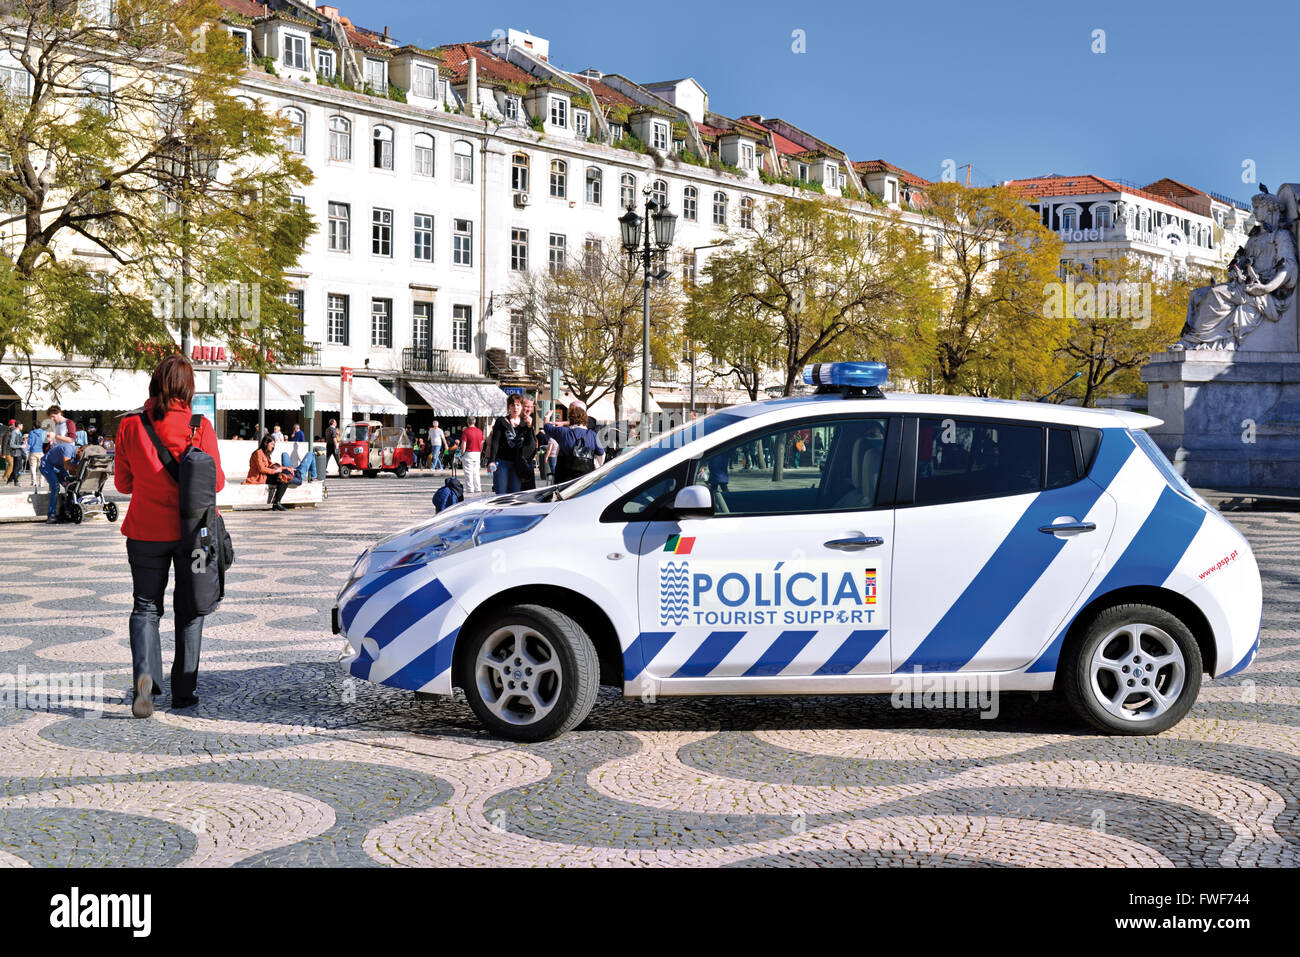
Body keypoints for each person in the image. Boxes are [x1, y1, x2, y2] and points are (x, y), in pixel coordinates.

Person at [113, 355, 224, 717]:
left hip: (145, 532)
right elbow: (217, 483)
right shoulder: (200, 426)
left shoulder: (131, 426)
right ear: (188, 388)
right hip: (194, 535)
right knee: (191, 610)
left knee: (145, 607)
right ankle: (183, 693)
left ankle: (144, 687)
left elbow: (123, 483)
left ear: (155, 384)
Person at [543, 400, 606, 484]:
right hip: (585, 479)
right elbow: (601, 453)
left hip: (564, 478)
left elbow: (547, 427)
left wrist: (547, 417)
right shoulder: (592, 435)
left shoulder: (562, 432)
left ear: (569, 417)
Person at [488, 395, 536, 495]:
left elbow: (530, 444)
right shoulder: (501, 421)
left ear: (522, 406)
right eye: (513, 405)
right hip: (502, 462)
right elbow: (495, 442)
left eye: (518, 405)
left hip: (518, 463)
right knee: (501, 493)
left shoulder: (525, 423)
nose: (515, 408)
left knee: (515, 494)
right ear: (509, 407)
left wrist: (529, 427)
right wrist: (491, 460)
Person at [246, 433, 296, 511]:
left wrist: (286, 468)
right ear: (266, 443)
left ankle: (277, 503)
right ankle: (277, 503)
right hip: (258, 477)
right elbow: (261, 469)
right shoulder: (258, 453)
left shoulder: (266, 455)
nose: (273, 446)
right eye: (272, 444)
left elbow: (272, 465)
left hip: (265, 476)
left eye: (274, 444)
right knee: (282, 478)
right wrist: (275, 471)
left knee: (284, 478)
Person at [40, 441, 84, 522]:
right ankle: (51, 515)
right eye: (83, 456)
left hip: (59, 468)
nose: (83, 458)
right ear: (80, 450)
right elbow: (67, 466)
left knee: (71, 486)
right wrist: (80, 467)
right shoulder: (68, 449)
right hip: (47, 466)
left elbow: (72, 472)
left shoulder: (78, 457)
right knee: (55, 487)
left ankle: (69, 510)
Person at [460, 418, 485, 495]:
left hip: (468, 453)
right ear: (475, 422)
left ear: (467, 422)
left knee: (468, 472)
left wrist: (462, 452)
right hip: (477, 453)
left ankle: (470, 489)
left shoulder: (466, 431)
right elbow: (482, 443)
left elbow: (464, 443)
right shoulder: (480, 431)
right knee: (476, 472)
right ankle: (478, 488)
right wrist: (480, 451)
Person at [25, 421, 46, 489]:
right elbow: (45, 441)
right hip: (41, 451)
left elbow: (29, 443)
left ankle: (34, 481)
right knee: (41, 468)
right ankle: (41, 483)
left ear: (34, 426)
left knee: (33, 467)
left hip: (33, 451)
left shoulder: (31, 432)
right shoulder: (43, 432)